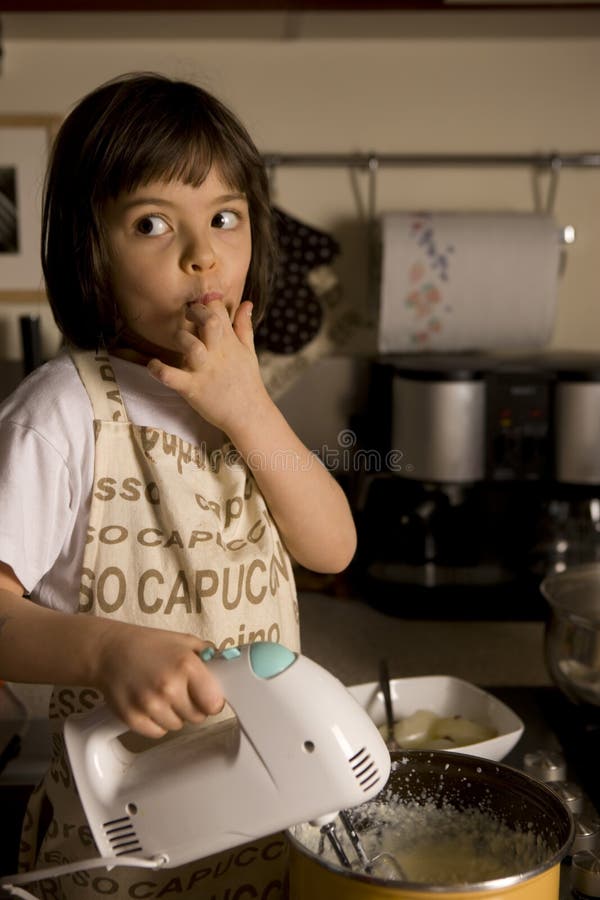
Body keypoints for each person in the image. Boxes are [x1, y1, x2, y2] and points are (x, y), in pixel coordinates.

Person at [0, 71, 357, 900]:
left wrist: (251, 409)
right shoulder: (62, 413)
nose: (203, 253)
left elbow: (332, 544)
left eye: (224, 218)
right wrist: (105, 647)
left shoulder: (239, 391)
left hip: (269, 824)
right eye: (153, 223)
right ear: (91, 251)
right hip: (124, 849)